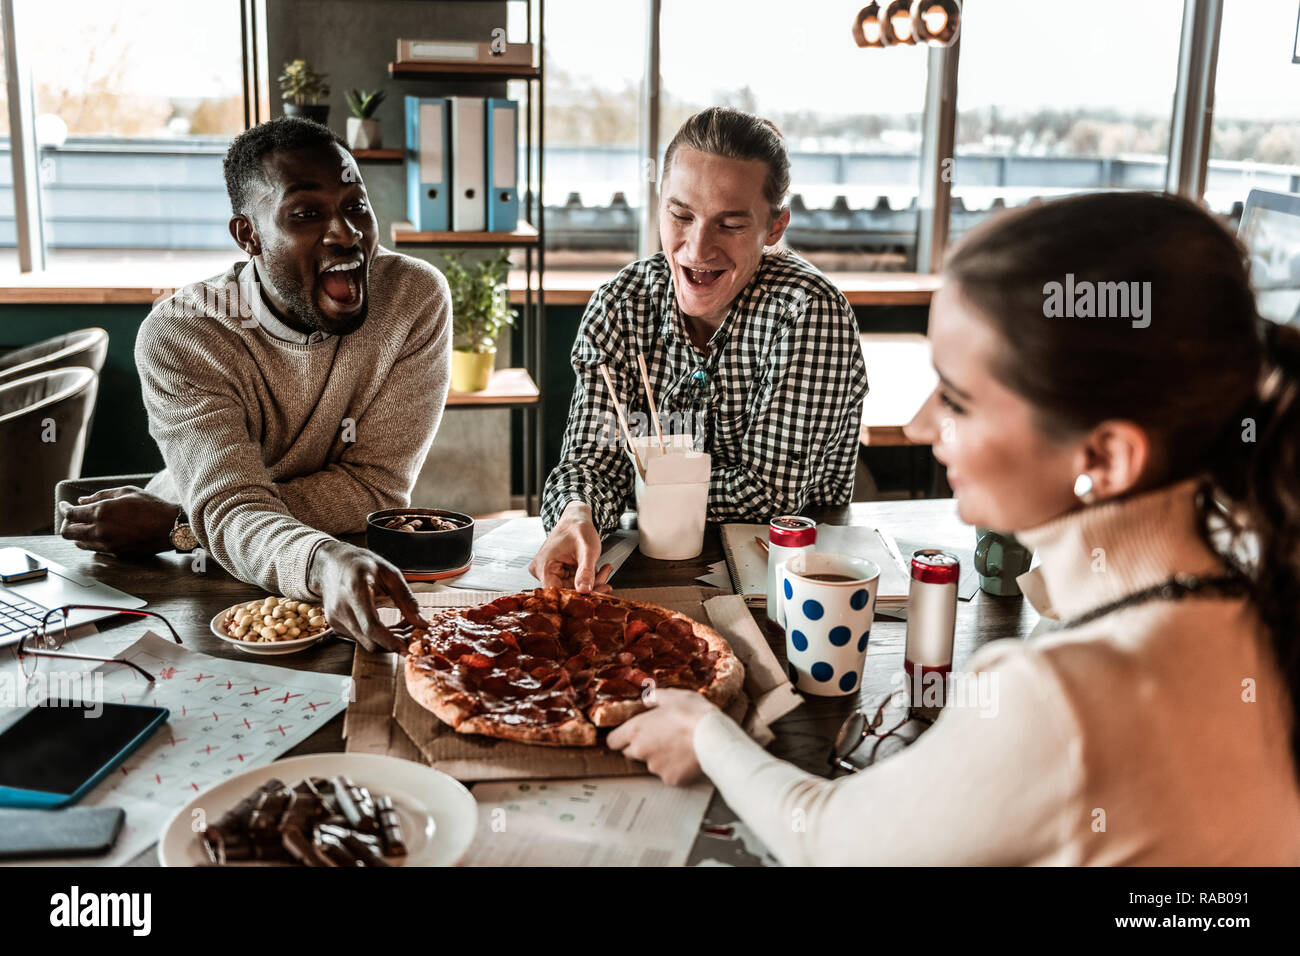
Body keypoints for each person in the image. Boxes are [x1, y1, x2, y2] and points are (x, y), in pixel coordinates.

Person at [607, 191, 1300, 864]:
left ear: (1107, 457)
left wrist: (705, 734)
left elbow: (824, 841)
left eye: (960, 400)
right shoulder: (1257, 604)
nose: (920, 425)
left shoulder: (1062, 699)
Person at [58, 117, 452, 653]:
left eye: (355, 205)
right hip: (188, 575)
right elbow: (230, 503)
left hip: (302, 561)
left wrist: (178, 525)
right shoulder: (184, 333)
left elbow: (378, 488)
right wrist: (312, 555)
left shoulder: (413, 298)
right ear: (249, 235)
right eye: (307, 213)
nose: (347, 233)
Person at [530, 107, 869, 593]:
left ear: (774, 228)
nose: (697, 248)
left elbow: (771, 496)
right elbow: (588, 462)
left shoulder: (809, 312)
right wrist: (576, 515)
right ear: (659, 204)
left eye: (729, 224)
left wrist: (635, 486)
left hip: (792, 581)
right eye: (681, 215)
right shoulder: (619, 305)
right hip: (641, 568)